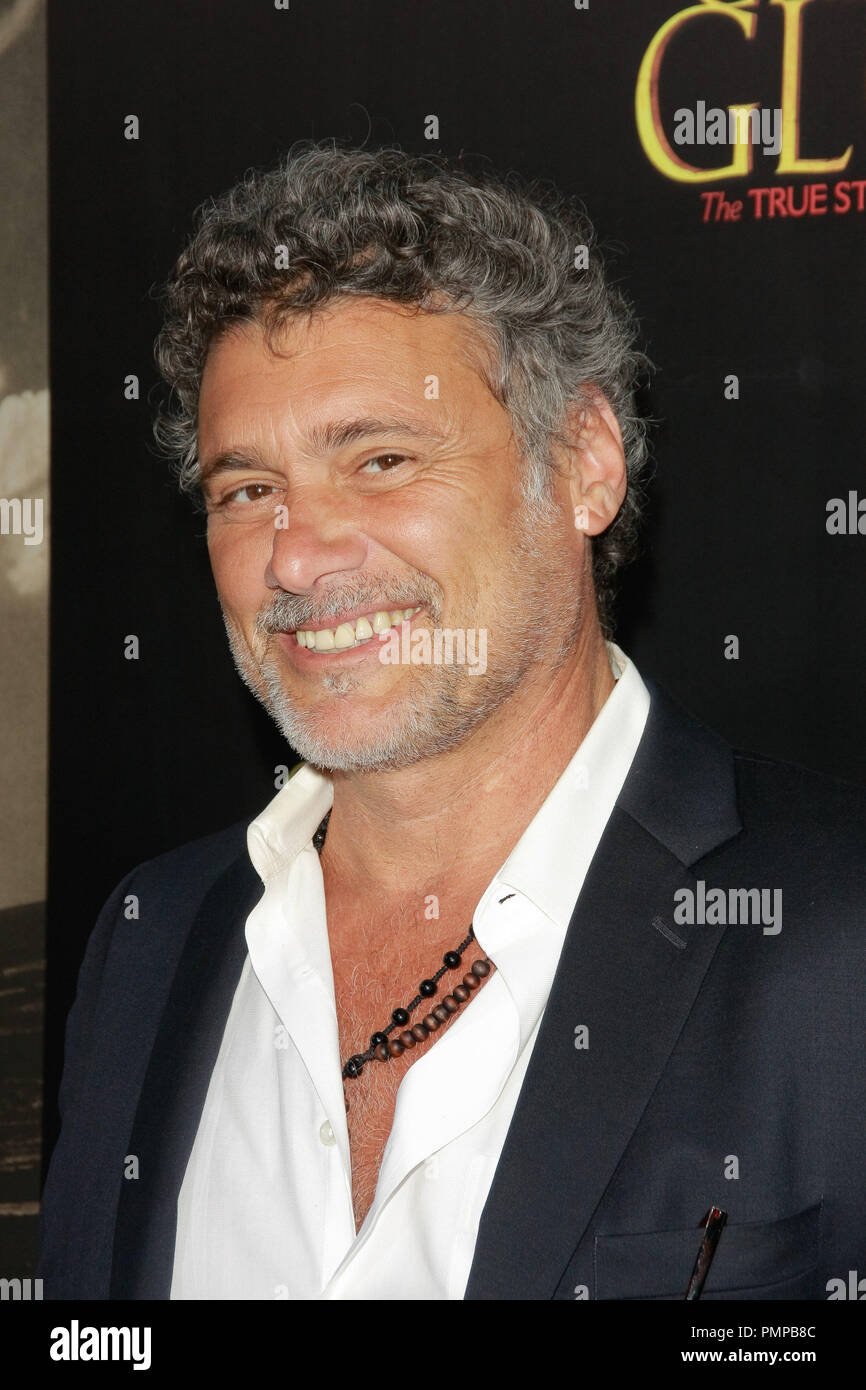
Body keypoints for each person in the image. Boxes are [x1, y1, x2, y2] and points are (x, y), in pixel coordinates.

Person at [39, 142, 866, 1300]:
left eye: (378, 459)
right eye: (246, 490)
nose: (294, 552)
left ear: (582, 463)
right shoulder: (151, 938)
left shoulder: (832, 939)